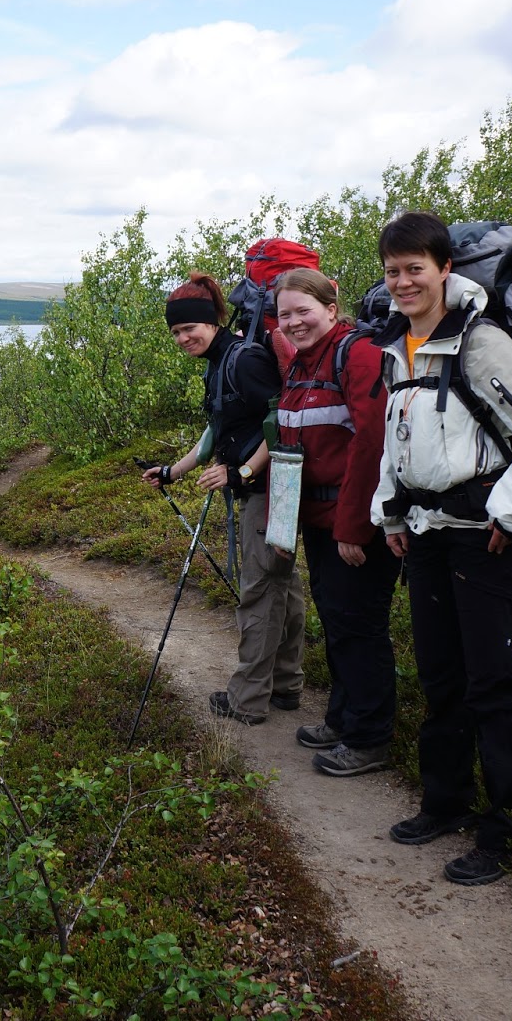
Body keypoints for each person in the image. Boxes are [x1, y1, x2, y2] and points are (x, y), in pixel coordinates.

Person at [368, 211, 512, 886]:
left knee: (492, 682)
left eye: (415, 269)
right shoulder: (397, 345)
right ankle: (445, 801)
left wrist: (511, 514)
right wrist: (389, 512)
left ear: (444, 268)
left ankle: (505, 828)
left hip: (484, 538)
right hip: (427, 533)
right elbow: (398, 441)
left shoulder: (480, 343)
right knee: (440, 676)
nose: (403, 282)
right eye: (393, 271)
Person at [142, 273, 306, 724]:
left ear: (212, 321)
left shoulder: (244, 360)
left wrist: (241, 472)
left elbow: (284, 422)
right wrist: (171, 472)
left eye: (189, 328)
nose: (183, 338)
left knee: (260, 590)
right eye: (175, 332)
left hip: (270, 490)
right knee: (281, 584)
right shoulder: (221, 362)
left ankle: (248, 699)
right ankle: (286, 684)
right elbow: (217, 429)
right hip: (268, 489)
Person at [272, 268, 399, 777]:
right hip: (321, 521)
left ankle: (369, 738)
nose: (294, 322)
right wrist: (285, 526)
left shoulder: (357, 355)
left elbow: (374, 446)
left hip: (357, 523)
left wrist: (353, 527)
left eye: (303, 310)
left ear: (330, 308)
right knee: (338, 621)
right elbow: (291, 452)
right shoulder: (302, 365)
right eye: (284, 314)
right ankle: (343, 718)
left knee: (359, 625)